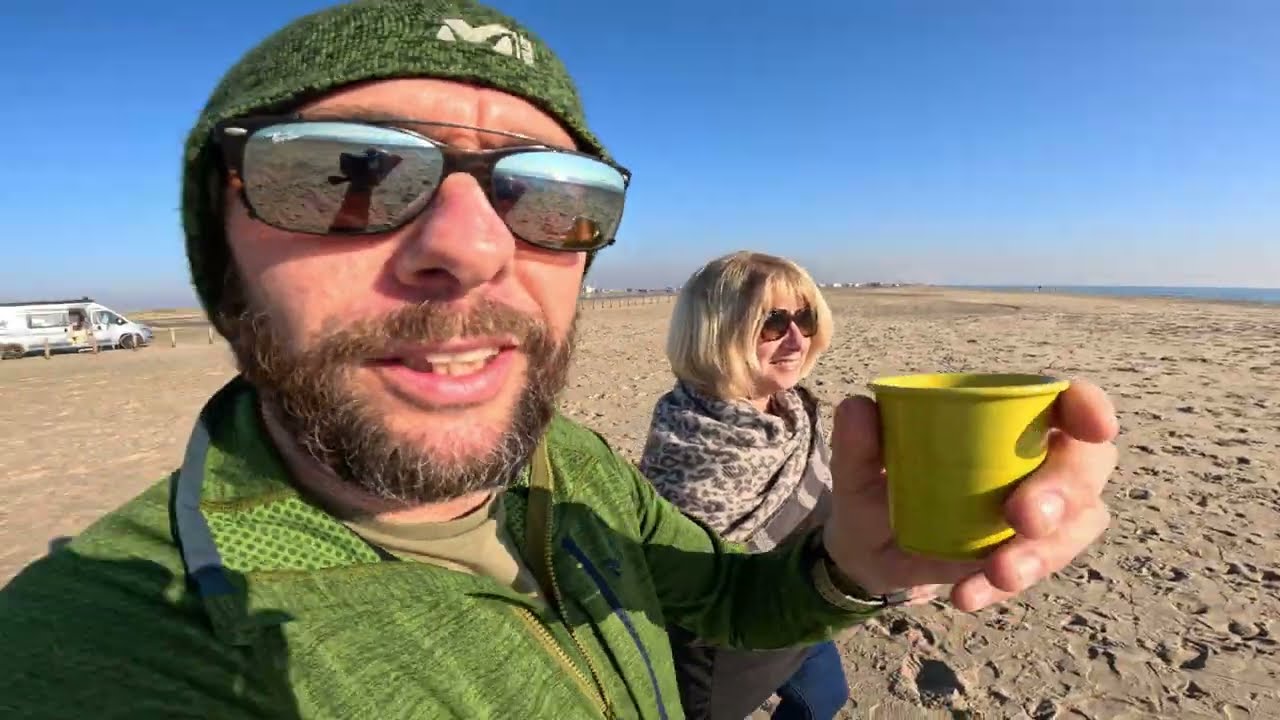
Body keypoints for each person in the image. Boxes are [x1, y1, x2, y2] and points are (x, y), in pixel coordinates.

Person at [0, 2, 1119, 719]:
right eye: (342, 173)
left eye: (549, 196)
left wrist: (851, 570)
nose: (474, 244)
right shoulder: (110, 649)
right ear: (217, 248)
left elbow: (725, 600)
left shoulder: (565, 461)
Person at [639, 251, 854, 719]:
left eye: (806, 317)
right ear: (717, 331)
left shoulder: (795, 410)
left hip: (801, 609)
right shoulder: (690, 449)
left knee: (824, 697)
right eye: (772, 323)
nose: (797, 339)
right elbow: (690, 585)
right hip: (724, 647)